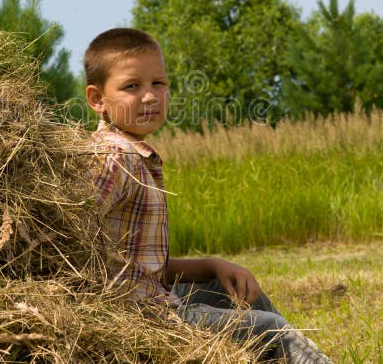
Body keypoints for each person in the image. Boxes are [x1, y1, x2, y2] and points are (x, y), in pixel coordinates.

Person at [84, 27, 333, 363]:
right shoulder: (115, 157)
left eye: (159, 83)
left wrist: (214, 266)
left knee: (232, 290)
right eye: (132, 86)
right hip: (140, 317)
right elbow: (72, 231)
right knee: (269, 330)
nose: (150, 96)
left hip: (149, 297)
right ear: (97, 100)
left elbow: (144, 267)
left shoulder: (132, 153)